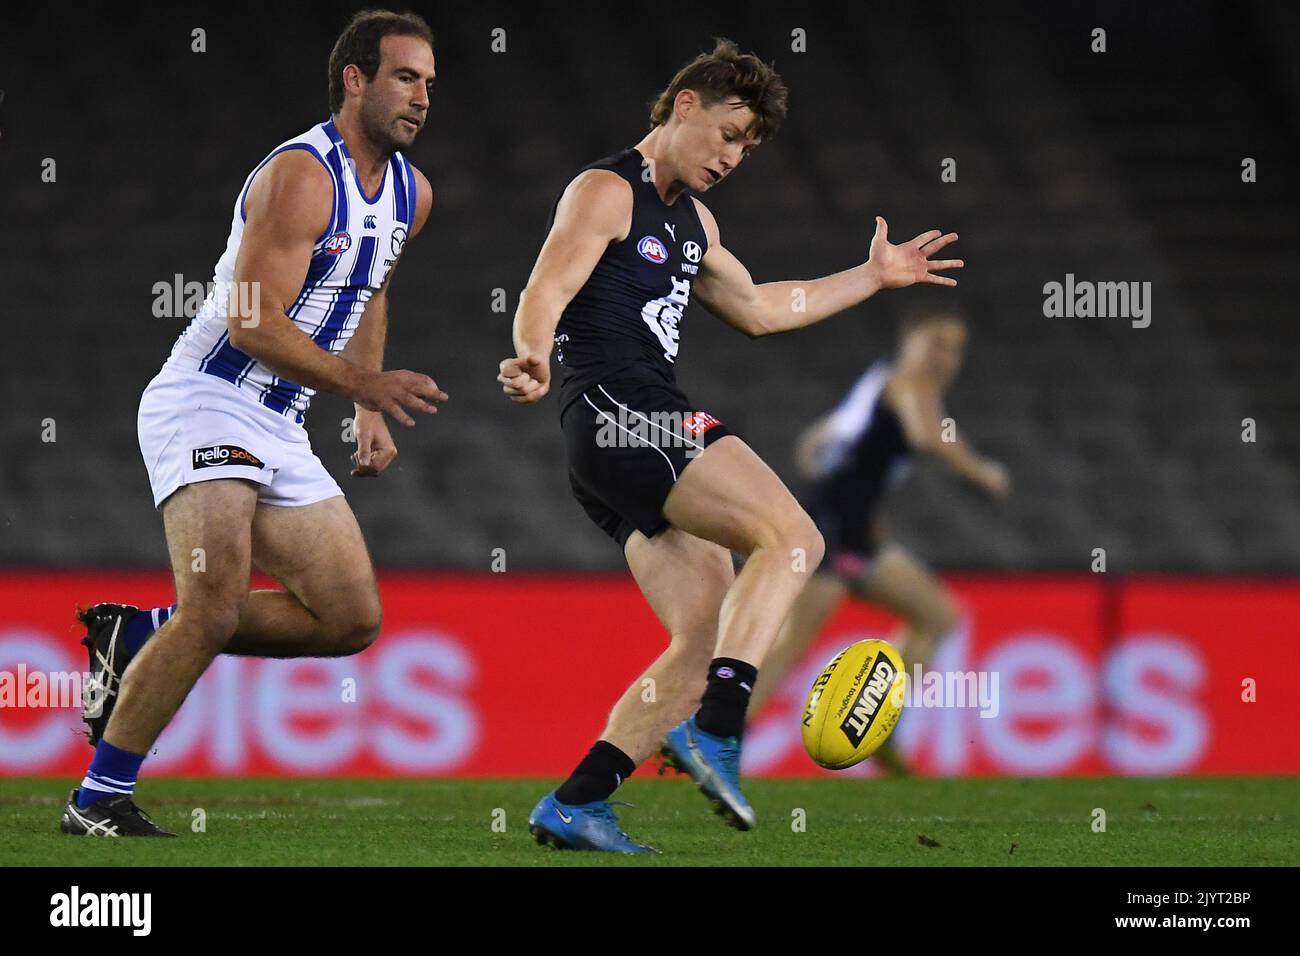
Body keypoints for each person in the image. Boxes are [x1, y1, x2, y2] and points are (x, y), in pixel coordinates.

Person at [498, 39, 963, 852]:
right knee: (797, 537)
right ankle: (718, 730)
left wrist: (869, 277)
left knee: (706, 634)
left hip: (616, 439)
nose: (733, 155)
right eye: (728, 132)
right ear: (686, 105)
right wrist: (532, 350)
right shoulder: (608, 190)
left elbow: (759, 308)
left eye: (747, 146)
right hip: (619, 406)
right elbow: (547, 283)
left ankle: (579, 801)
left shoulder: (694, 223)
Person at [63, 10, 446, 837]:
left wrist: (364, 404)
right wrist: (364, 380)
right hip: (209, 396)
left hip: (283, 419)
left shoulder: (412, 194)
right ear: (355, 80)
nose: (421, 97)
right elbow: (250, 321)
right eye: (404, 77)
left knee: (351, 620)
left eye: (429, 83)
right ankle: (97, 800)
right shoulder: (303, 175)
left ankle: (135, 636)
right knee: (215, 601)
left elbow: (370, 288)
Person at [748, 308, 1011, 774]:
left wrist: (847, 492)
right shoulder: (915, 385)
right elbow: (925, 435)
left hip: (853, 530)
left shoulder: (878, 381)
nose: (945, 358)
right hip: (831, 531)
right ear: (909, 342)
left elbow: (814, 442)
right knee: (791, 645)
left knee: (938, 614)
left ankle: (881, 724)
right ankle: (717, 735)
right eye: (936, 344)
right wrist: (982, 472)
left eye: (954, 349)